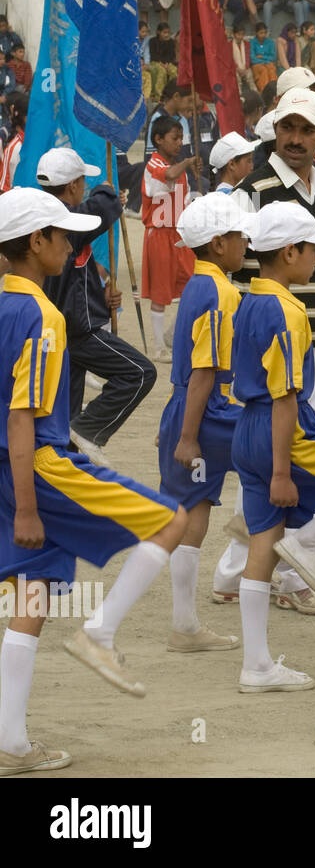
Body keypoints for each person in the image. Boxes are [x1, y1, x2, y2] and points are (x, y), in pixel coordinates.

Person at [0, 189, 190, 775]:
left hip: (10, 467)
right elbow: (23, 416)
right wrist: (30, 507)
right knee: (171, 520)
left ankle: (11, 742)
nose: (73, 245)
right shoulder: (41, 314)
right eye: (65, 237)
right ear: (38, 243)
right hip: (40, 464)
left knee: (28, 598)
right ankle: (100, 634)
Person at [220, 87, 315, 617]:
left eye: (306, 130)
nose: (295, 139)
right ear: (274, 131)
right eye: (287, 129)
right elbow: (231, 265)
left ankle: (237, 571)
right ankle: (287, 572)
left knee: (283, 462)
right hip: (274, 351)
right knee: (290, 462)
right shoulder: (254, 189)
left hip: (311, 344)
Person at [230, 202, 315, 694]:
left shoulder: (251, 298)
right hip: (282, 431)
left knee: (262, 543)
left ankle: (256, 663)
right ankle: (309, 541)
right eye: (314, 248)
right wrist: (282, 470)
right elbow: (285, 397)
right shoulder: (290, 310)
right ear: (289, 251)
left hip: (248, 427)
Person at [155, 194, 252, 657]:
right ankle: (260, 532)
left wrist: (178, 426)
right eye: (239, 235)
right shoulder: (222, 292)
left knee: (192, 509)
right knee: (289, 459)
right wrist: (189, 435)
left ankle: (185, 623)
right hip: (210, 410)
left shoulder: (196, 283)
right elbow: (205, 370)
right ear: (218, 243)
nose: (245, 242)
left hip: (187, 407)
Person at [35, 148, 156, 468]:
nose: (85, 188)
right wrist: (108, 186)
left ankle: (71, 454)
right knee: (141, 373)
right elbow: (107, 205)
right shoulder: (63, 220)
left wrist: (102, 295)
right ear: (73, 186)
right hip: (76, 329)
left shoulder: (53, 217)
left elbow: (77, 271)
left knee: (66, 417)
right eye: (82, 183)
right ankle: (89, 431)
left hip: (70, 324)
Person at [141, 117, 200, 362]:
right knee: (160, 292)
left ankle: (171, 333)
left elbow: (183, 199)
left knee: (192, 284)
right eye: (174, 139)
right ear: (158, 139)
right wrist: (188, 162)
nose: (179, 143)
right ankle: (158, 347)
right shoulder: (154, 164)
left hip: (178, 232)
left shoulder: (179, 169)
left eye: (181, 139)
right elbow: (169, 174)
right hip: (159, 232)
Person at [146, 22, 179, 102]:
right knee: (162, 71)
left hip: (168, 63)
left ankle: (172, 94)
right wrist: (162, 64)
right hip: (155, 62)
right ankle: (159, 96)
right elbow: (153, 55)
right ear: (158, 32)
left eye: (168, 33)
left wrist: (167, 64)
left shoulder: (171, 42)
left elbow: (171, 56)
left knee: (174, 70)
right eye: (164, 32)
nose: (166, 35)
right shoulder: (152, 41)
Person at [250, 22, 277, 91]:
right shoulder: (252, 42)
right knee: (263, 70)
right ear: (256, 33)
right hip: (257, 65)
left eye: (265, 33)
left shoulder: (270, 42)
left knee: (271, 69)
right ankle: (264, 92)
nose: (263, 35)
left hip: (268, 63)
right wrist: (265, 61)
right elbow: (252, 59)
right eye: (261, 33)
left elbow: (273, 57)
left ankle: (274, 92)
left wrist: (262, 57)